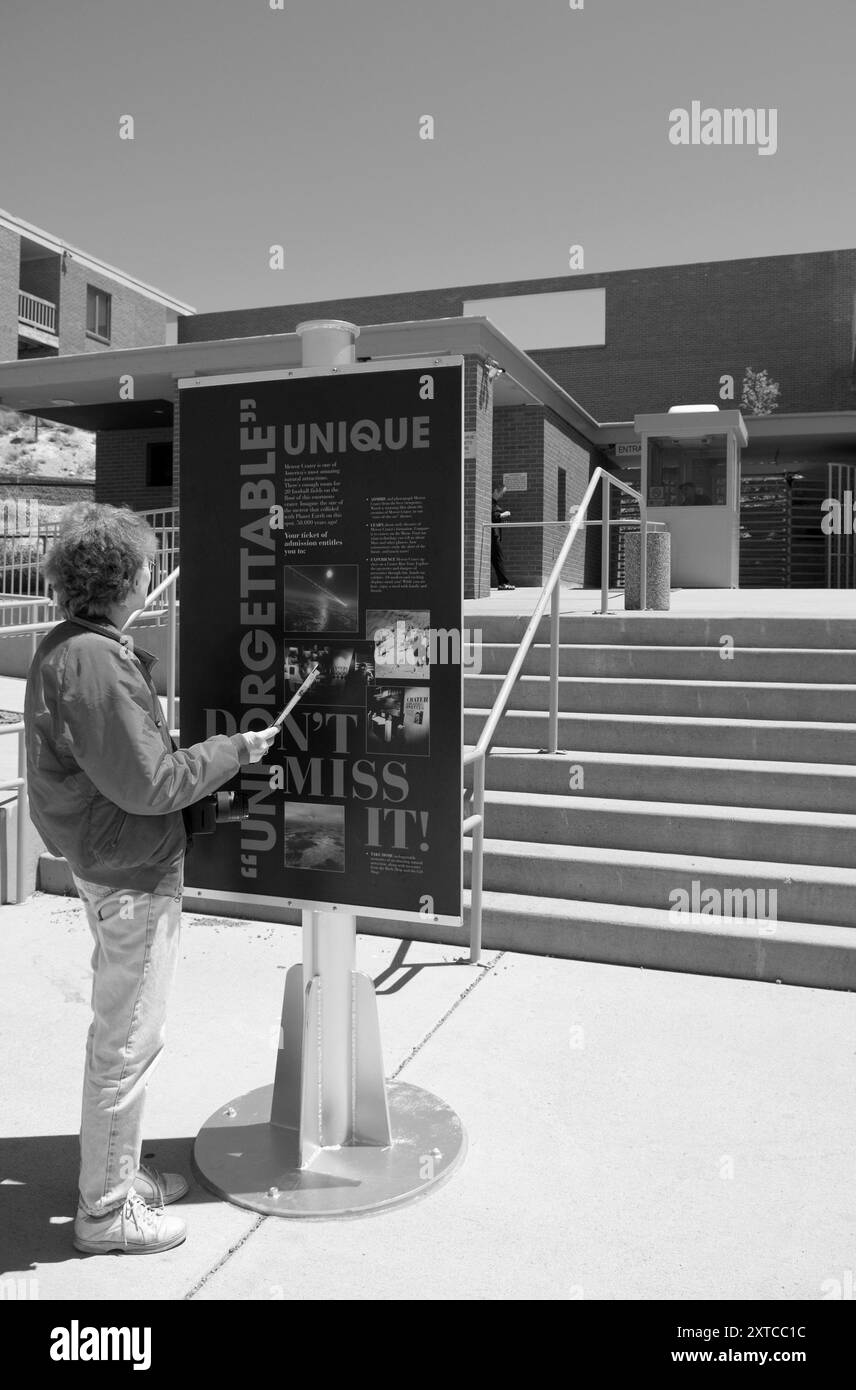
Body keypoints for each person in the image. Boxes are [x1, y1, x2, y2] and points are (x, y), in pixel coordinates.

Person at [24, 503, 280, 1255]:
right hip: (130, 872)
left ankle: (115, 1172)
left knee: (122, 1034)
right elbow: (151, 784)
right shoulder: (96, 662)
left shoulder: (74, 647)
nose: (151, 572)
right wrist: (233, 752)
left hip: (110, 861)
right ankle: (105, 1213)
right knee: (129, 1043)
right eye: (146, 563)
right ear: (127, 577)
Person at [491, 483, 516, 590]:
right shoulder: (490, 502)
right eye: (502, 493)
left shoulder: (494, 503)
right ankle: (503, 583)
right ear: (496, 491)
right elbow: (492, 516)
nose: (502, 496)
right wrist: (502, 515)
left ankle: (502, 583)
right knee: (498, 559)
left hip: (494, 535)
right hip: (492, 536)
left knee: (497, 560)